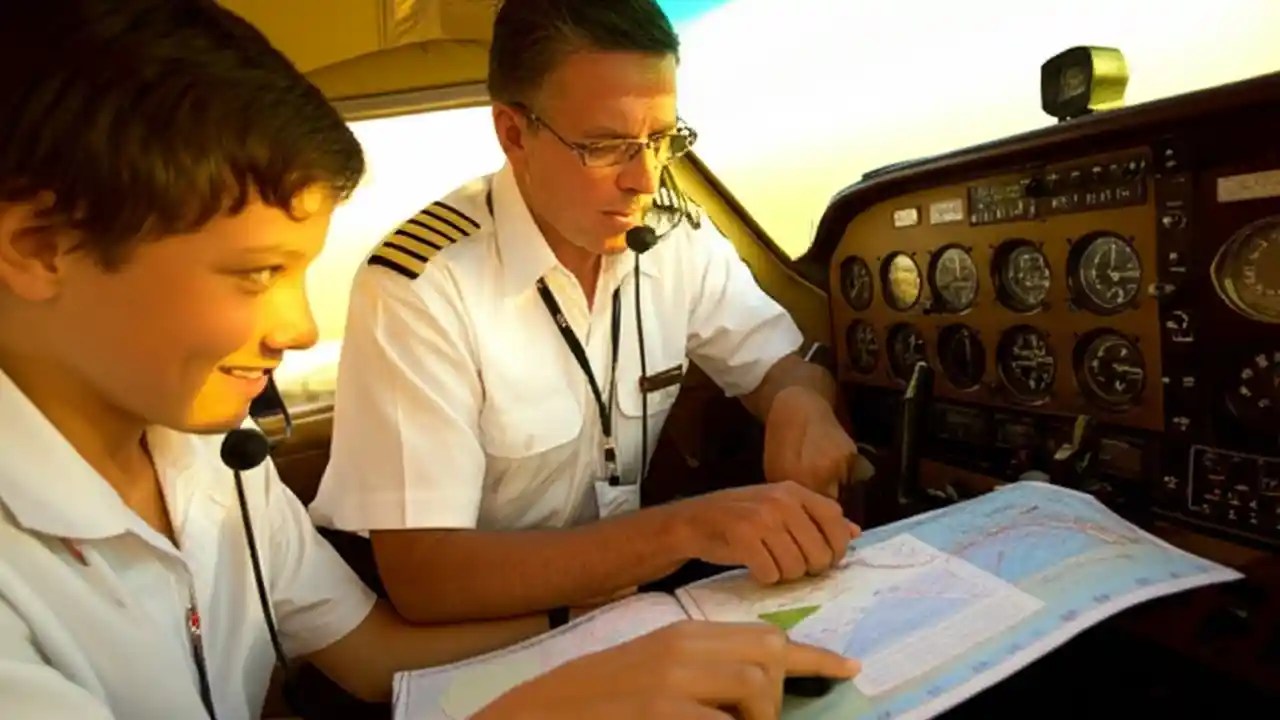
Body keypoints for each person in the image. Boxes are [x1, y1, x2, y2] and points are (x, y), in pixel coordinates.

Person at [0, 2, 861, 719]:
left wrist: (645, 628)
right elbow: (421, 597)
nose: (300, 328)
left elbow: (375, 656)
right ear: (40, 250)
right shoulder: (424, 283)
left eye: (661, 140)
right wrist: (565, 688)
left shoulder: (212, 464)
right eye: (256, 273)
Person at [311, 0, 865, 627]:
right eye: (605, 147)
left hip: (625, 613)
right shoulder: (420, 288)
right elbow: (427, 576)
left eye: (661, 140)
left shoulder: (673, 239)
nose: (646, 180)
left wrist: (800, 403)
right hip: (481, 639)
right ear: (514, 133)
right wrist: (687, 528)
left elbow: (784, 367)